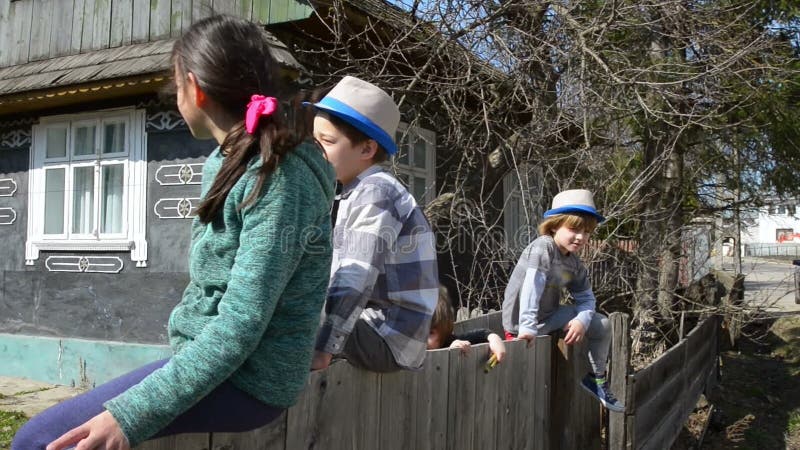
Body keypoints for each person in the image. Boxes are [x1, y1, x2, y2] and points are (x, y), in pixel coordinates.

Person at [13, 16, 336, 450]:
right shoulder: (228, 161)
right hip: (216, 361)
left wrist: (131, 415)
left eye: (174, 85)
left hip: (251, 380)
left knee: (39, 439)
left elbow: (239, 326)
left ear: (193, 87)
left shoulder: (277, 177)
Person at [308, 76, 439, 373]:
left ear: (366, 149)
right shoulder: (355, 190)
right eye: (314, 140)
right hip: (380, 332)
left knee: (289, 307)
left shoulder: (376, 192)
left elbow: (354, 277)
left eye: (327, 142)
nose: (317, 150)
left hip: (387, 336)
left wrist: (322, 348)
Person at [501, 189, 624, 412]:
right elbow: (532, 287)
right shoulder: (543, 246)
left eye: (586, 232)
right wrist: (527, 327)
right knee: (522, 394)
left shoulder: (573, 263)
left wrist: (582, 321)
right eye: (574, 229)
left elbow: (586, 298)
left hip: (548, 318)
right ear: (555, 225)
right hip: (520, 326)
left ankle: (596, 380)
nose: (581, 237)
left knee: (602, 325)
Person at [427, 287, 506, 364]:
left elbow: (482, 334)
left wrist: (494, 339)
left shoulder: (447, 341)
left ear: (443, 333)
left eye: (430, 332)